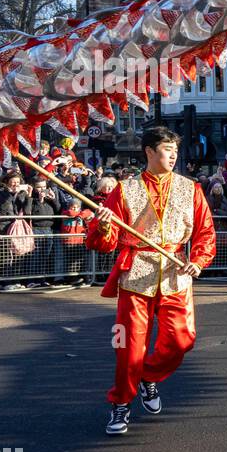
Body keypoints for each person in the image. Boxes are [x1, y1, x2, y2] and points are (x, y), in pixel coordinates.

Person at [86, 127, 218, 436]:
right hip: (135, 275)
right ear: (149, 151)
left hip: (176, 273)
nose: (173, 155)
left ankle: (148, 377)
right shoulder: (124, 189)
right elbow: (103, 242)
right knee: (129, 348)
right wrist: (104, 227)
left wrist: (198, 260)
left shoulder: (191, 189)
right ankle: (121, 402)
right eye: (166, 149)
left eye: (175, 150)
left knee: (181, 340)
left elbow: (205, 232)